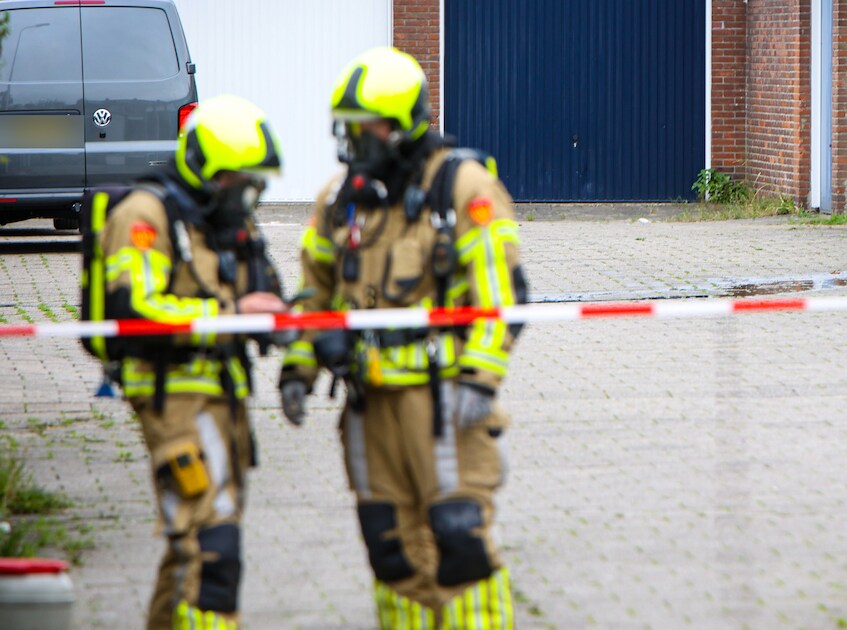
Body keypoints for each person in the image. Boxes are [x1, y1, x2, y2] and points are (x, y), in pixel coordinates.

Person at [279, 47, 525, 628]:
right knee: (390, 545)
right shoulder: (340, 200)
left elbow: (500, 296)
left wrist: (481, 380)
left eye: (369, 128)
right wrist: (298, 368)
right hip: (369, 407)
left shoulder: (462, 187)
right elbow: (314, 292)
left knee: (458, 544)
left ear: (405, 124)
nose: (356, 141)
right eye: (349, 129)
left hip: (444, 405)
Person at [95, 94, 288, 629]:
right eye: (239, 181)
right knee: (212, 548)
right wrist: (230, 310)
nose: (247, 194)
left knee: (191, 546)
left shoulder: (218, 218)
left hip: (224, 398)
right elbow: (135, 306)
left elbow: (264, 287)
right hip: (172, 399)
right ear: (208, 171)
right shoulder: (146, 213)